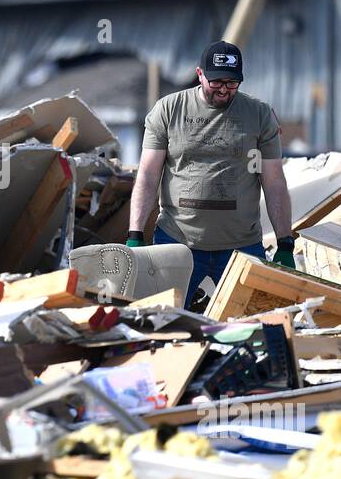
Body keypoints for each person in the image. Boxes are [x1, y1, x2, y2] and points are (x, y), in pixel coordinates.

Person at [126, 40, 294, 305]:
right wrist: (135, 234)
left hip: (242, 246)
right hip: (178, 244)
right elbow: (148, 176)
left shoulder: (259, 115)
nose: (224, 90)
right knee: (165, 321)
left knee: (253, 322)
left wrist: (285, 242)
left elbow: (274, 182)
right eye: (216, 82)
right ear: (199, 74)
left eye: (232, 83)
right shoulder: (169, 110)